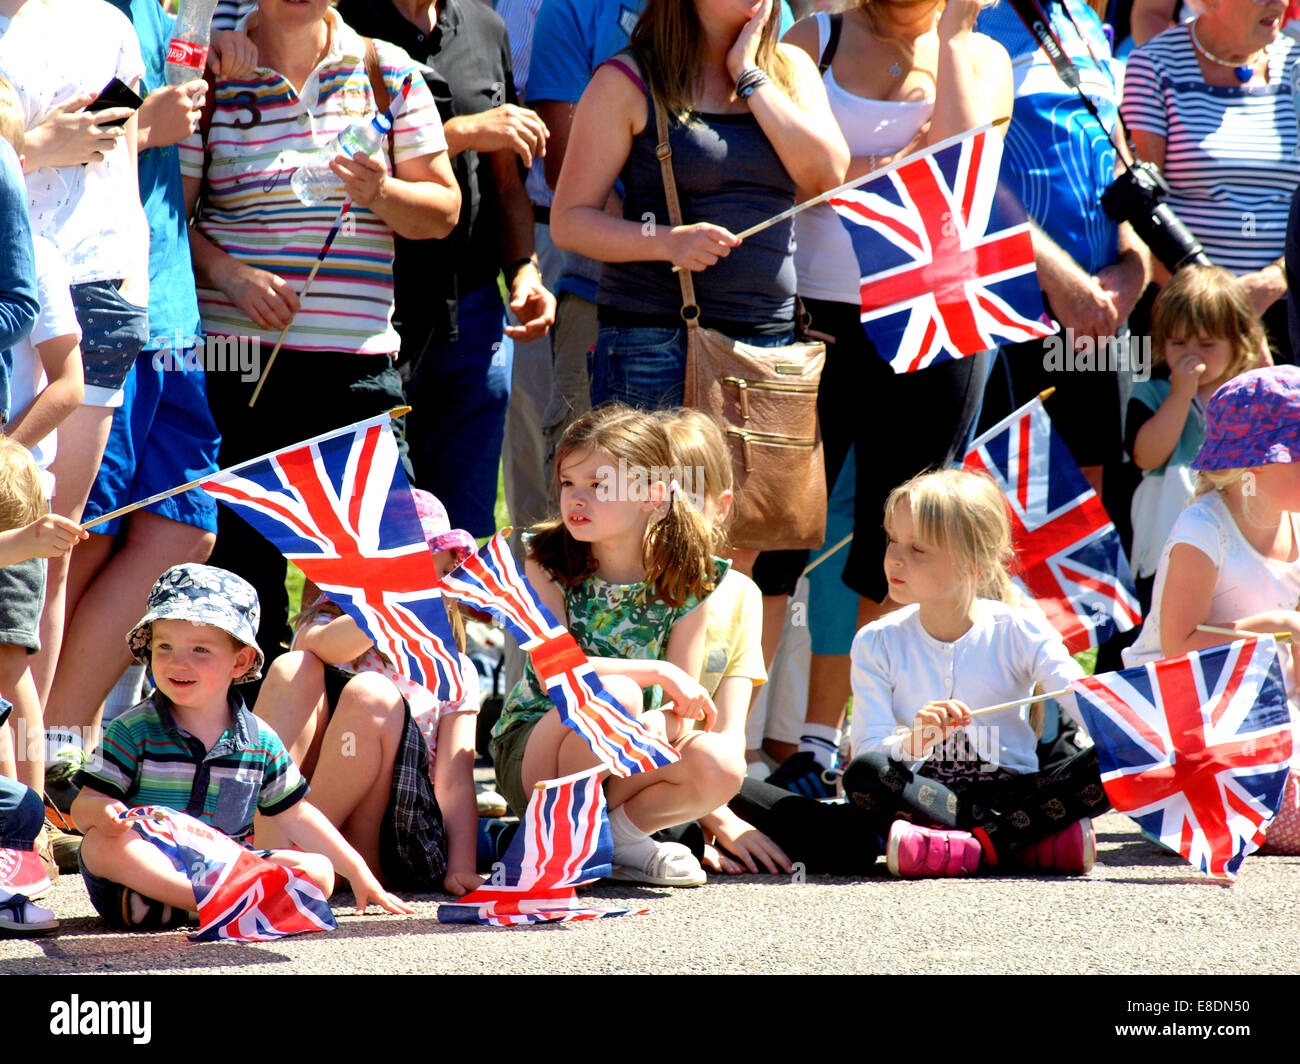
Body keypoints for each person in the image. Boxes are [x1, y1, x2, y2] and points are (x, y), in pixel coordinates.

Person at [763, 0, 1012, 799]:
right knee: (776, 536)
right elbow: (806, 172)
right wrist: (881, 173)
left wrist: (952, 37)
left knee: (898, 543)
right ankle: (740, 749)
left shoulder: (979, 51)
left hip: (935, 318)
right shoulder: (815, 37)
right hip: (816, 316)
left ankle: (849, 748)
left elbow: (960, 177)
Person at [183, 0, 460, 665]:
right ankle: (246, 753)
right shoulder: (213, 73)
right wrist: (231, 275)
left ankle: (356, 745)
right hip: (238, 366)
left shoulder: (387, 71)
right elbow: (168, 217)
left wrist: (383, 193)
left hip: (355, 368)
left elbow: (443, 210)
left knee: (375, 575)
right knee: (239, 588)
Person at [42, 0, 219, 813]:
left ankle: (56, 752)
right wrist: (143, 127)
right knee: (73, 540)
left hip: (167, 300)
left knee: (186, 527)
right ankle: (45, 768)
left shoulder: (177, 10)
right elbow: (41, 156)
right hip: (92, 296)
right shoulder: (76, 14)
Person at [70, 564, 412, 929]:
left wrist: (357, 871)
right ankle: (211, 902)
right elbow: (82, 806)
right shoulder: (133, 729)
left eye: (200, 649)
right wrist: (103, 811)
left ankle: (203, 904)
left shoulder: (259, 740)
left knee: (320, 871)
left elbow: (296, 814)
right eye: (164, 646)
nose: (177, 661)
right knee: (99, 846)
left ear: (240, 661)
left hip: (224, 867)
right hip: (143, 873)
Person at [490, 405, 745, 887]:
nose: (576, 498)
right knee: (619, 694)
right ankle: (555, 835)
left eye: (598, 485)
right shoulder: (544, 558)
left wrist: (646, 729)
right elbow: (553, 669)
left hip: (627, 747)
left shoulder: (689, 575)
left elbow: (682, 710)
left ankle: (618, 840)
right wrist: (658, 675)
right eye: (568, 483)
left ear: (652, 495)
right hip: (534, 748)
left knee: (721, 763)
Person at [550, 0, 847, 412]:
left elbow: (827, 175)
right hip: (655, 346)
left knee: (755, 482)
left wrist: (747, 73)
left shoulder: (791, 69)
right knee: (664, 481)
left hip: (769, 341)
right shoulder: (628, 79)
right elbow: (569, 221)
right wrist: (667, 241)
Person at [335, 0, 556, 539]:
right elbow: (338, 162)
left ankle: (456, 628)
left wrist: (525, 271)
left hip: (475, 316)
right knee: (375, 533)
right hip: (374, 319)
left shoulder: (485, 27)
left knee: (464, 533)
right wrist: (458, 132)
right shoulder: (343, 29)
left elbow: (506, 179)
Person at [846, 468, 1107, 877]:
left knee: (1122, 752)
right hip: (926, 796)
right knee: (865, 776)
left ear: (972, 565)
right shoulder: (876, 640)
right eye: (893, 540)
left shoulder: (1018, 627)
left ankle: (969, 847)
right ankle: (1023, 842)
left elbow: (1084, 700)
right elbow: (868, 751)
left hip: (1013, 795)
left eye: (918, 549)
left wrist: (1139, 728)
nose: (895, 558)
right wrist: (916, 741)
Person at [252, 490, 482, 896]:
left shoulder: (453, 667)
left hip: (392, 836)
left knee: (371, 695)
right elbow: (318, 648)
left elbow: (455, 780)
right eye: (406, 576)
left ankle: (291, 858)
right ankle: (271, 848)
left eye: (432, 577)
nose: (419, 592)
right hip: (300, 808)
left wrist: (461, 867)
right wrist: (380, 604)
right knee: (293, 666)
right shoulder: (329, 628)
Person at [975, 0, 1150, 498]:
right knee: (1006, 495)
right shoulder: (974, 19)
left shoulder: (1085, 17)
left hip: (1104, 306)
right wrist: (1064, 284)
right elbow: (969, 169)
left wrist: (1132, 268)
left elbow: (1115, 153)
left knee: (1088, 493)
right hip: (1017, 303)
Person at [1124, 365, 1300, 855]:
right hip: (1193, 712)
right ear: (1256, 466)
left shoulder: (1294, 524)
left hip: (1266, 706)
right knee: (1286, 815)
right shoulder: (1204, 531)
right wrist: (1277, 626)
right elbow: (1176, 646)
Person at [1122, 0, 1298, 363]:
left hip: (1287, 307)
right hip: (1189, 324)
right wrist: (1218, 312)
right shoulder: (1154, 64)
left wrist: (1273, 279)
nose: (1279, 2)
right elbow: (1144, 207)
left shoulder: (1296, 64)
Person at [657, 407, 790, 875]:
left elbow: (731, 729)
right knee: (684, 840)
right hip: (635, 768)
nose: (672, 513)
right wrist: (716, 816)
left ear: (722, 505)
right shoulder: (627, 584)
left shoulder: (741, 594)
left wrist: (719, 803)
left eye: (688, 497)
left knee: (836, 838)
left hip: (705, 771)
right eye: (657, 496)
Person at [1126, 265, 1269, 604]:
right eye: (1178, 342)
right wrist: (1179, 396)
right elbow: (1146, 457)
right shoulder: (1153, 392)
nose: (1192, 353)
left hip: (1238, 542)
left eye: (1207, 343)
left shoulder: (1250, 394)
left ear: (1238, 343)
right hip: (1166, 544)